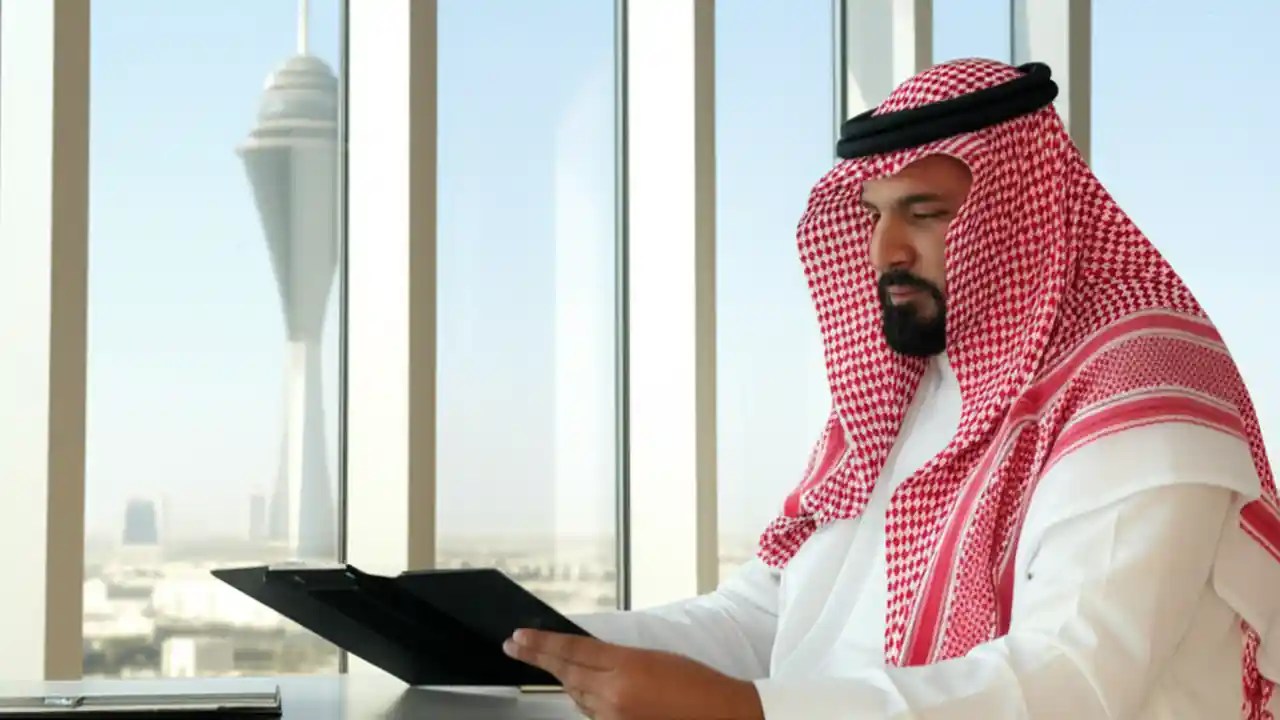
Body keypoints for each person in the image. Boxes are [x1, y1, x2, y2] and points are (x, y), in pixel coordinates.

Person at [502, 58, 1280, 719]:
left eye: (925, 213)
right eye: (873, 213)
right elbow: (768, 617)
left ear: (1016, 216)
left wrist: (747, 709)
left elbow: (1073, 679)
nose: (885, 250)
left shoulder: (1140, 379)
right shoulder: (905, 390)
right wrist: (519, 642)